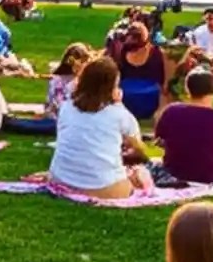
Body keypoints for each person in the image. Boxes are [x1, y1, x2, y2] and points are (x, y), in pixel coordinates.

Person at [49, 57, 151, 199]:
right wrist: (119, 105)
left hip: (61, 179)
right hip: (102, 185)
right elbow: (140, 149)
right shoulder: (118, 113)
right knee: (140, 174)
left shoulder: (66, 107)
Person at [152, 68, 213, 185]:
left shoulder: (170, 112)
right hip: (209, 178)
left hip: (174, 175)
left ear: (187, 89)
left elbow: (160, 141)